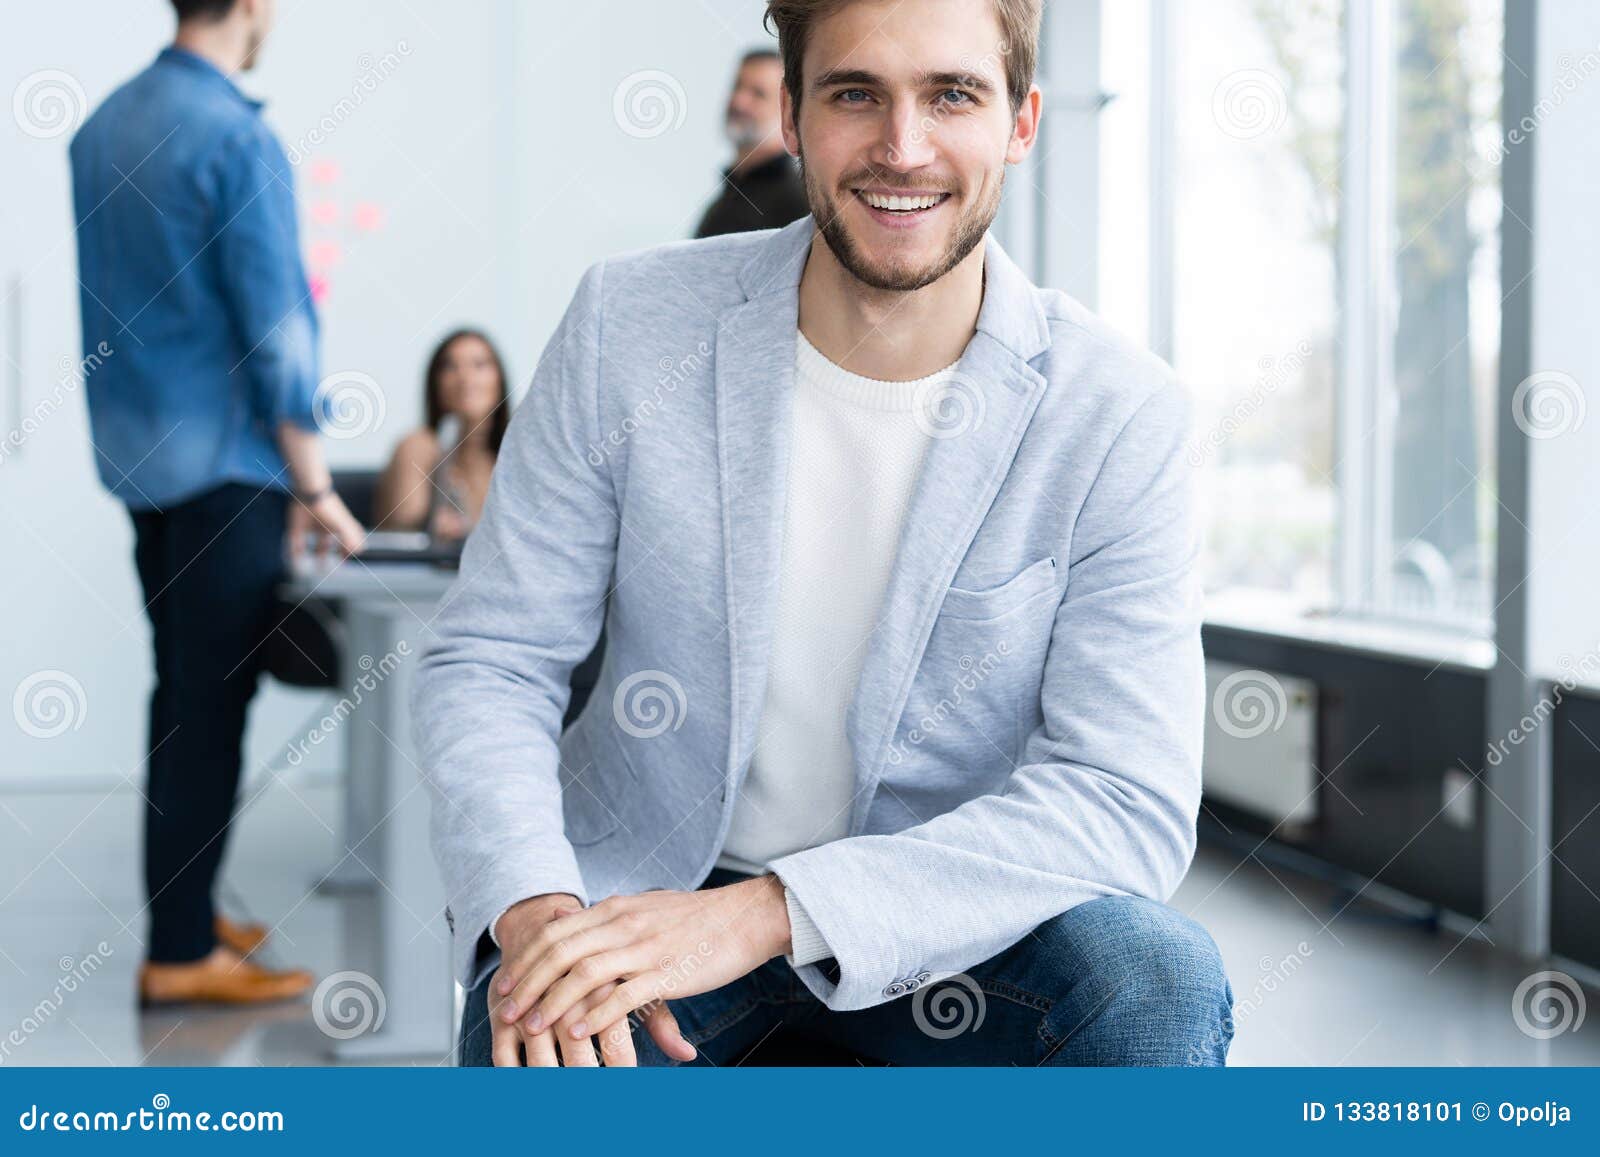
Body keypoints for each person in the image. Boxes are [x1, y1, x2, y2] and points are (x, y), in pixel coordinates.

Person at [417, 0, 1232, 1067]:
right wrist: (533, 907)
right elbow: (494, 657)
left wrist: (769, 911)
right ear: (793, 116)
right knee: (540, 1035)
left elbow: (1121, 793)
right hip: (652, 894)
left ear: (1021, 122)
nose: (904, 148)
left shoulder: (1120, 413)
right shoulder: (629, 324)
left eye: (952, 94)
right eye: (856, 94)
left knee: (1155, 980)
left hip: (956, 924)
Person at [70, 0, 364, 1007]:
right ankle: (181, 948)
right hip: (227, 473)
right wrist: (317, 484)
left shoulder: (103, 123)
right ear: (251, 7)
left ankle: (186, 909)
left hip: (139, 464)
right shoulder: (240, 138)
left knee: (182, 696)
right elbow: (278, 333)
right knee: (205, 709)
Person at [373, 330, 512, 542]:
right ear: (435, 383)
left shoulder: (514, 455)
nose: (465, 377)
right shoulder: (419, 446)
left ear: (499, 380)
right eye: (450, 366)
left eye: (479, 365)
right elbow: (405, 527)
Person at [693, 48, 810, 238]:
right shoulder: (725, 201)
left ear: (788, 112)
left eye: (758, 94)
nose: (739, 102)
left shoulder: (798, 205)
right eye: (737, 86)